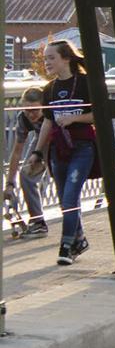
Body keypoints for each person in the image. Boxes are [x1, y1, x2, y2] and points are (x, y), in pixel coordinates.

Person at [27, 40, 96, 265]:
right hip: (59, 151)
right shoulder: (50, 90)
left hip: (82, 147)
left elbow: (97, 115)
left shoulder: (85, 84)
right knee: (64, 200)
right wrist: (38, 152)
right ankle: (80, 239)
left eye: (51, 58)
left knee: (70, 197)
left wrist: (74, 118)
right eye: (45, 58)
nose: (47, 62)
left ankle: (66, 246)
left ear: (66, 58)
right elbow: (48, 122)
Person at [5, 87, 50, 237]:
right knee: (26, 175)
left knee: (61, 177)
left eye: (35, 110)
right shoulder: (23, 119)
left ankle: (73, 224)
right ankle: (38, 222)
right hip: (40, 140)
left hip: (59, 139)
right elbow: (17, 151)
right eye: (27, 110)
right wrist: (9, 183)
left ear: (43, 106)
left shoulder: (51, 113)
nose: (30, 114)